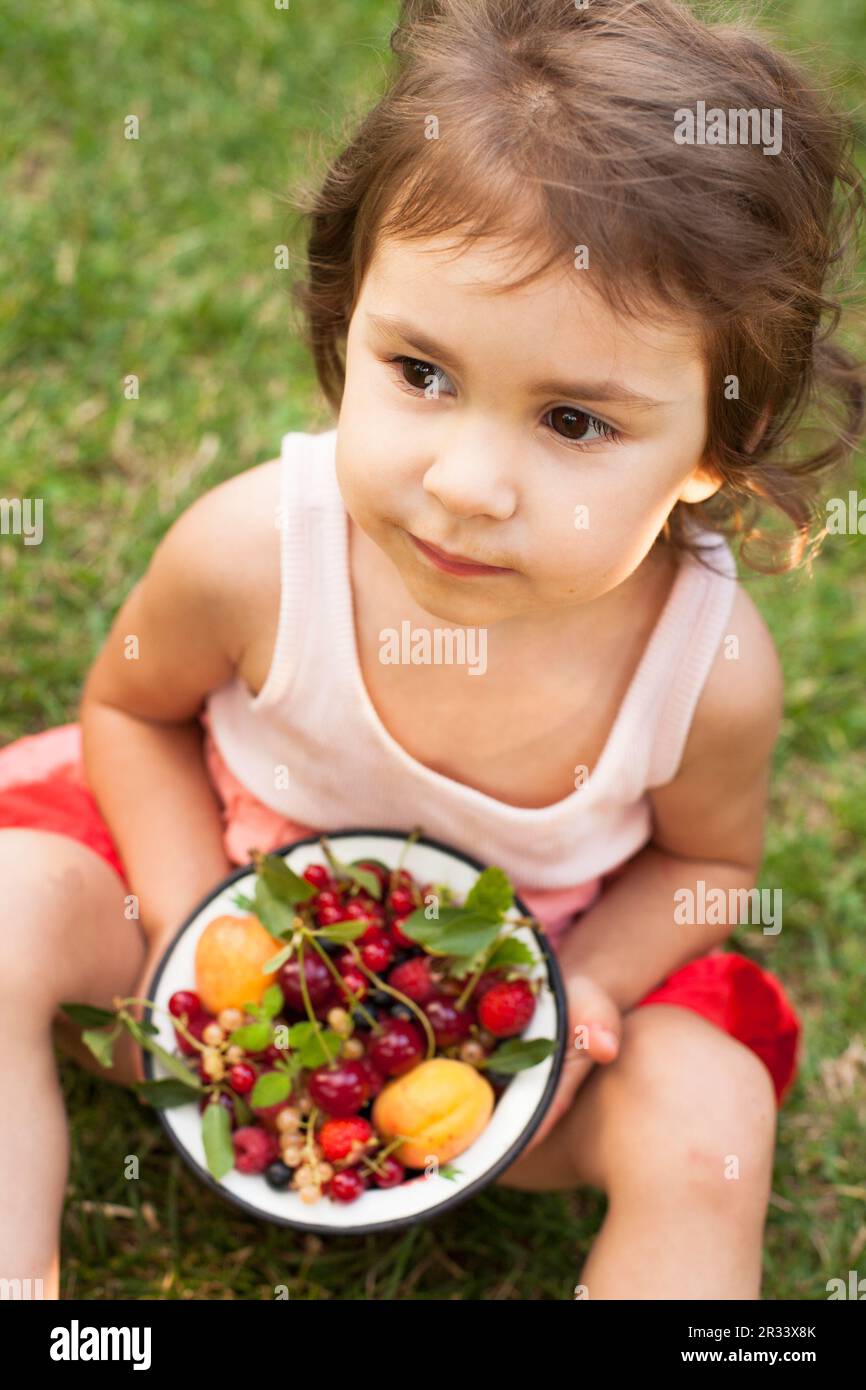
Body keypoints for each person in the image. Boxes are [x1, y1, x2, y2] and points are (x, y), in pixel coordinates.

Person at [1, 0, 863, 1300]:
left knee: (706, 1115)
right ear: (347, 321)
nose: (464, 481)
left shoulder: (704, 668)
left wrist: (579, 993)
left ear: (707, 455)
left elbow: (707, 862)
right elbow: (132, 711)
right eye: (419, 371)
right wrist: (186, 928)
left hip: (501, 1042)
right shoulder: (255, 549)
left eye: (572, 419)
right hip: (205, 922)